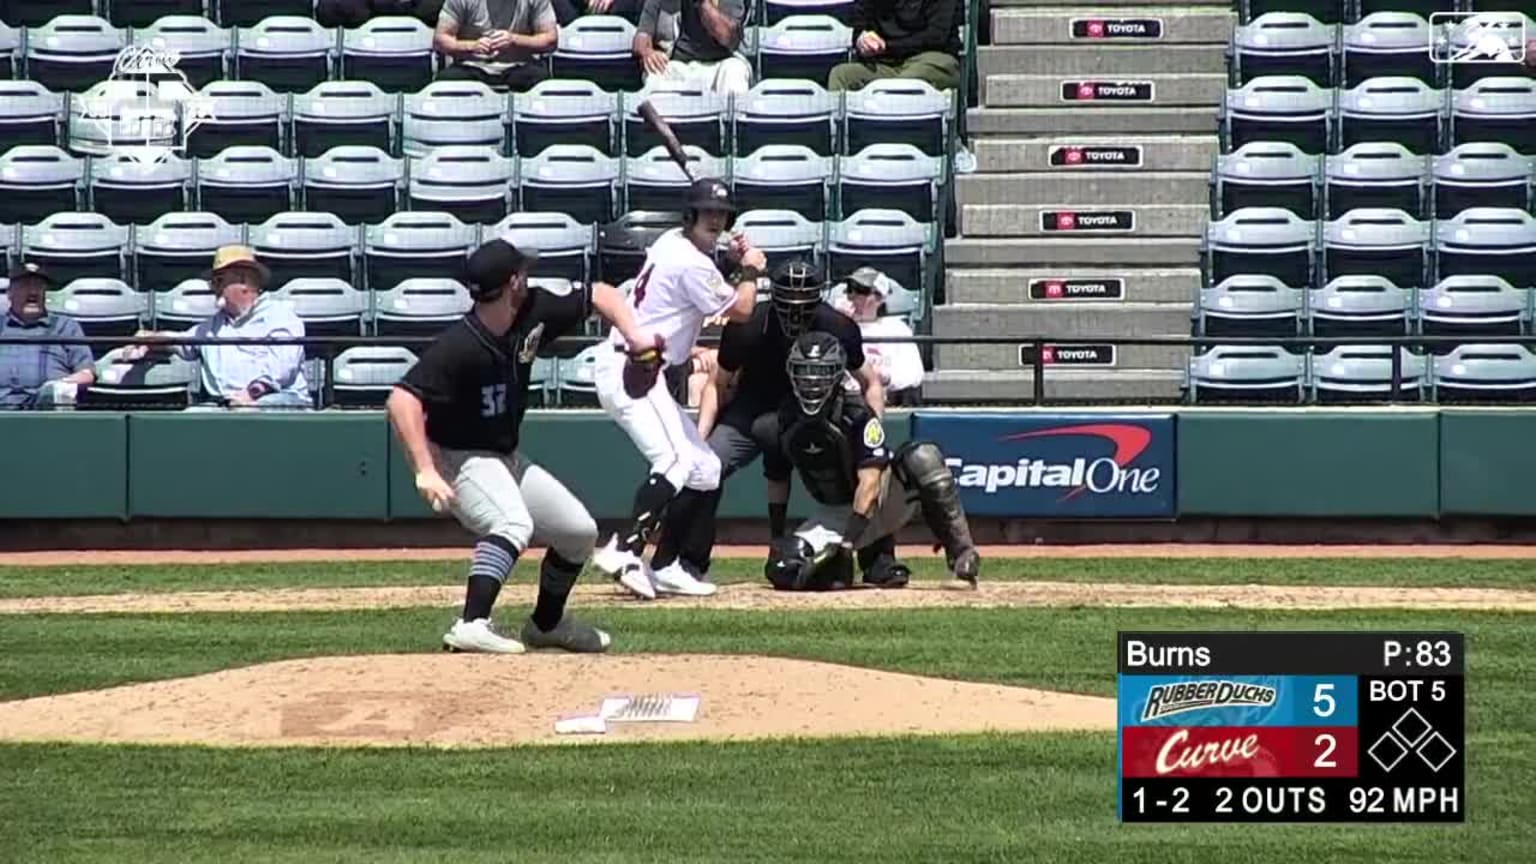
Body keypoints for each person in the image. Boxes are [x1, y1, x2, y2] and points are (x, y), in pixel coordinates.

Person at [388, 238, 630, 654]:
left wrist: (638, 336)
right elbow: (402, 399)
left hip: (504, 456)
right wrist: (424, 469)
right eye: (524, 271)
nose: (529, 276)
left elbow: (602, 294)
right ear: (513, 281)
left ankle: (546, 625)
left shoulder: (532, 312)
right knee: (512, 524)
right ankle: (471, 623)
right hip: (457, 457)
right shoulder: (460, 345)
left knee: (578, 532)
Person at [645, 257, 886, 590]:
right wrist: (700, 439)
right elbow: (718, 384)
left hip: (815, 417)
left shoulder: (838, 326)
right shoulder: (748, 326)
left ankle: (877, 561)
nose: (796, 314)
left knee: (866, 474)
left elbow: (870, 382)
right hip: (751, 411)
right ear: (774, 298)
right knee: (706, 468)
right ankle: (690, 562)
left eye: (805, 306)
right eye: (788, 305)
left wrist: (873, 430)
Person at [589, 177, 765, 599]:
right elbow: (742, 310)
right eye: (707, 213)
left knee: (705, 471)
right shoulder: (689, 262)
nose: (715, 221)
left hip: (644, 371)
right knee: (673, 461)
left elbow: (705, 265)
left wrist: (729, 256)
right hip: (632, 369)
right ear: (689, 215)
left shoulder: (673, 242)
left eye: (721, 215)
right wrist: (751, 269)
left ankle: (666, 564)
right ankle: (624, 548)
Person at [765, 331, 980, 591]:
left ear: (838, 373)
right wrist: (776, 538)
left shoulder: (857, 414)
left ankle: (961, 552)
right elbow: (777, 477)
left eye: (821, 371)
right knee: (784, 568)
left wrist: (846, 545)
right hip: (837, 512)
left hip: (883, 500)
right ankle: (871, 567)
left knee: (923, 456)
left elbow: (871, 485)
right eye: (805, 370)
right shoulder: (785, 416)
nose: (812, 380)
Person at [122, 246, 311, 409]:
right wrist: (147, 338)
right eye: (212, 282)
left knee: (251, 411)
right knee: (187, 421)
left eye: (219, 281)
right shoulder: (214, 325)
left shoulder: (279, 316)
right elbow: (182, 342)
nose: (213, 288)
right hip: (227, 405)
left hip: (280, 401)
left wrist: (251, 394)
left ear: (244, 282)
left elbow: (282, 368)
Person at [0, 263, 95, 409]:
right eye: (25, 285)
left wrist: (58, 386)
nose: (33, 291)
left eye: (38, 286)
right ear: (10, 293)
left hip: (47, 409)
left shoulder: (65, 326)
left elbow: (87, 374)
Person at [828, 0, 962, 93]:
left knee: (902, 86)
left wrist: (887, 46)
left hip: (930, 59)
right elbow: (859, 21)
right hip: (886, 64)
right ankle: (842, 133)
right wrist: (862, 39)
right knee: (841, 75)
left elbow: (936, 37)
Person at [834, 266, 924, 399]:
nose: (852, 297)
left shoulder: (897, 329)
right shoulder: (836, 326)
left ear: (878, 298)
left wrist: (886, 377)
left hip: (884, 399)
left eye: (861, 291)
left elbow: (915, 374)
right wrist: (841, 323)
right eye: (849, 290)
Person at [633, 0, 752, 96]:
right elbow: (641, 37)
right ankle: (660, 126)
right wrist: (647, 52)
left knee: (735, 70)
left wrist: (702, 3)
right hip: (676, 66)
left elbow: (727, 36)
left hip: (718, 66)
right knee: (654, 73)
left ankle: (730, 125)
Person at [434, 0, 557, 91]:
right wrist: (472, 46)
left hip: (518, 66)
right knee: (447, 80)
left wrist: (515, 40)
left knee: (541, 81)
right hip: (472, 66)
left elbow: (550, 39)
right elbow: (441, 39)